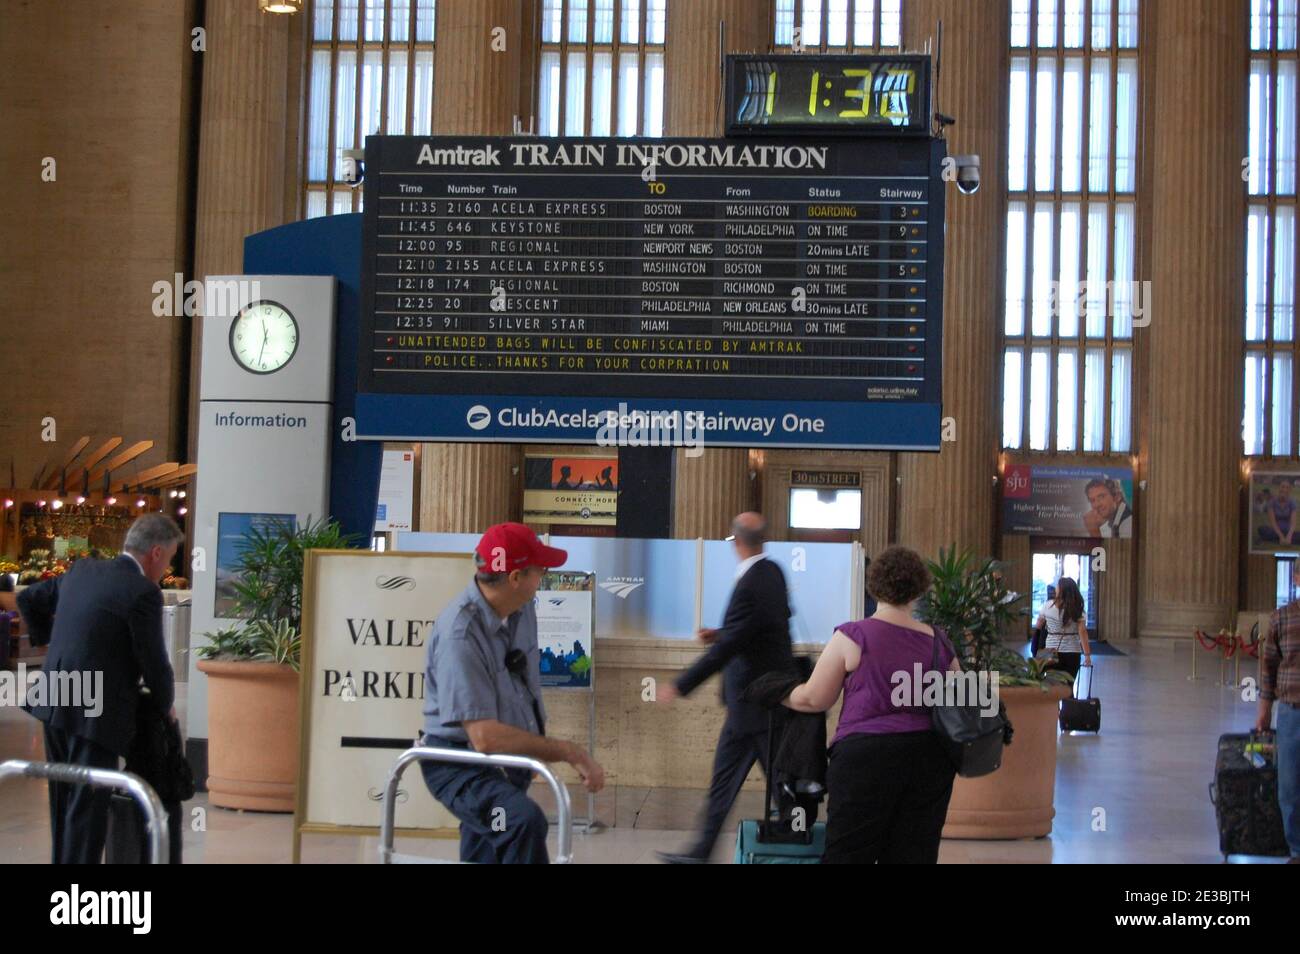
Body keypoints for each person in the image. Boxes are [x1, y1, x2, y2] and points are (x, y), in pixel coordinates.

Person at [420, 522, 604, 864]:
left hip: (505, 764)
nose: (545, 575)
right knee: (520, 822)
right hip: (460, 766)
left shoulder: (522, 610)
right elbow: (485, 738)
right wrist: (567, 751)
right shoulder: (460, 635)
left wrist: (531, 747)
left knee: (488, 846)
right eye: (539, 569)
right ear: (516, 577)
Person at [16, 514, 183, 864]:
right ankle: (78, 902)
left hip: (55, 697)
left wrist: (51, 645)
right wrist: (166, 705)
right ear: (155, 552)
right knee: (87, 808)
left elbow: (30, 598)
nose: (166, 568)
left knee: (62, 802)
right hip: (96, 712)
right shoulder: (143, 592)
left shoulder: (83, 571)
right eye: (168, 559)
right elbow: (154, 660)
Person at [782, 545, 959, 863]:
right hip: (929, 759)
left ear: (873, 585)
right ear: (918, 590)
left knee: (848, 853)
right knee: (914, 854)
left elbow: (814, 698)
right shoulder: (941, 642)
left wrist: (779, 692)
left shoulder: (853, 636)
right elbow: (960, 699)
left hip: (865, 758)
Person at [656, 512, 796, 863]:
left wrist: (680, 684)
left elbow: (729, 649)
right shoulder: (773, 572)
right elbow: (765, 627)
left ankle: (799, 840)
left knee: (754, 782)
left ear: (736, 542)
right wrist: (723, 633)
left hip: (752, 701)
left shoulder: (750, 581)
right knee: (771, 782)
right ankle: (705, 850)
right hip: (763, 700)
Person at [1257, 562, 1300, 863]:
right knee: (1290, 784)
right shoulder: (1282, 618)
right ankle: (1297, 849)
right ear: (1297, 577)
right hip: (1291, 712)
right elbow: (1268, 667)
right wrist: (1263, 710)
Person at [1035, 577, 1092, 680]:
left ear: (1061, 590)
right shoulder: (1078, 609)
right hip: (1072, 652)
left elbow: (1038, 625)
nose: (1055, 588)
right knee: (1069, 686)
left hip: (1051, 652)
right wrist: (1087, 655)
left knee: (1052, 685)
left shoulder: (1047, 606)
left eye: (1057, 586)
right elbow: (1082, 632)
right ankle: (1069, 696)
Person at [1261, 480, 1296, 546]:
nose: (1284, 489)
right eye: (1282, 487)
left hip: (1287, 531)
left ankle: (1283, 540)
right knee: (1261, 529)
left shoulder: (1292, 502)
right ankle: (1280, 539)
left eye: (1287, 487)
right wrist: (1281, 537)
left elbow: (1293, 523)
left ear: (1290, 490)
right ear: (1279, 488)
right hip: (1275, 531)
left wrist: (1289, 536)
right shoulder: (1272, 502)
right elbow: (1273, 522)